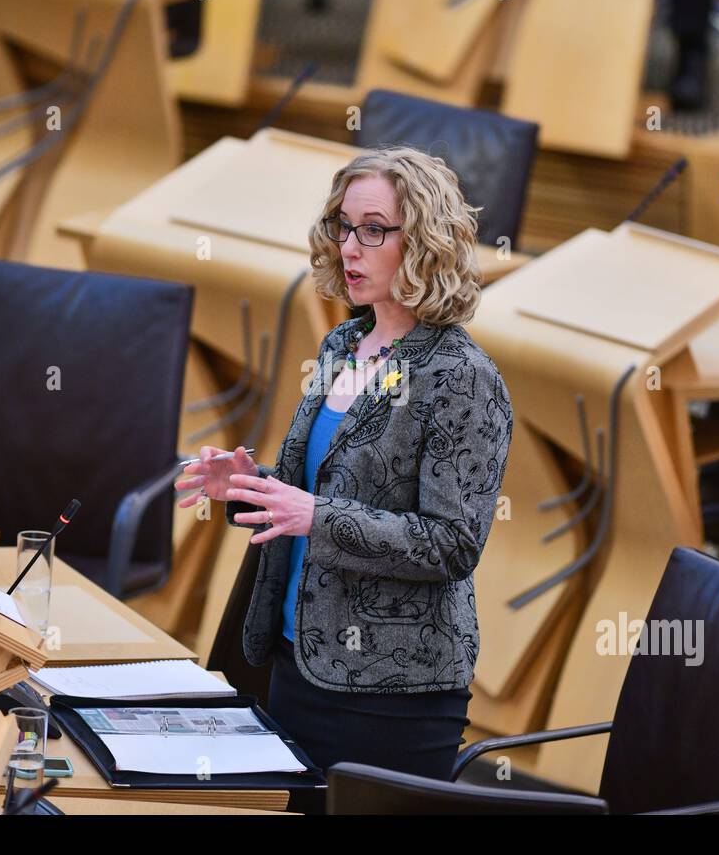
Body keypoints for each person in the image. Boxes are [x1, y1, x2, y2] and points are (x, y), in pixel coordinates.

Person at [174, 146, 513, 780]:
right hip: (296, 660)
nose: (348, 247)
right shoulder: (344, 342)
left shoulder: (462, 377)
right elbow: (320, 495)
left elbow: (451, 545)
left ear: (426, 242)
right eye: (343, 225)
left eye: (374, 229)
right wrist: (252, 486)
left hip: (390, 694)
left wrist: (315, 515)